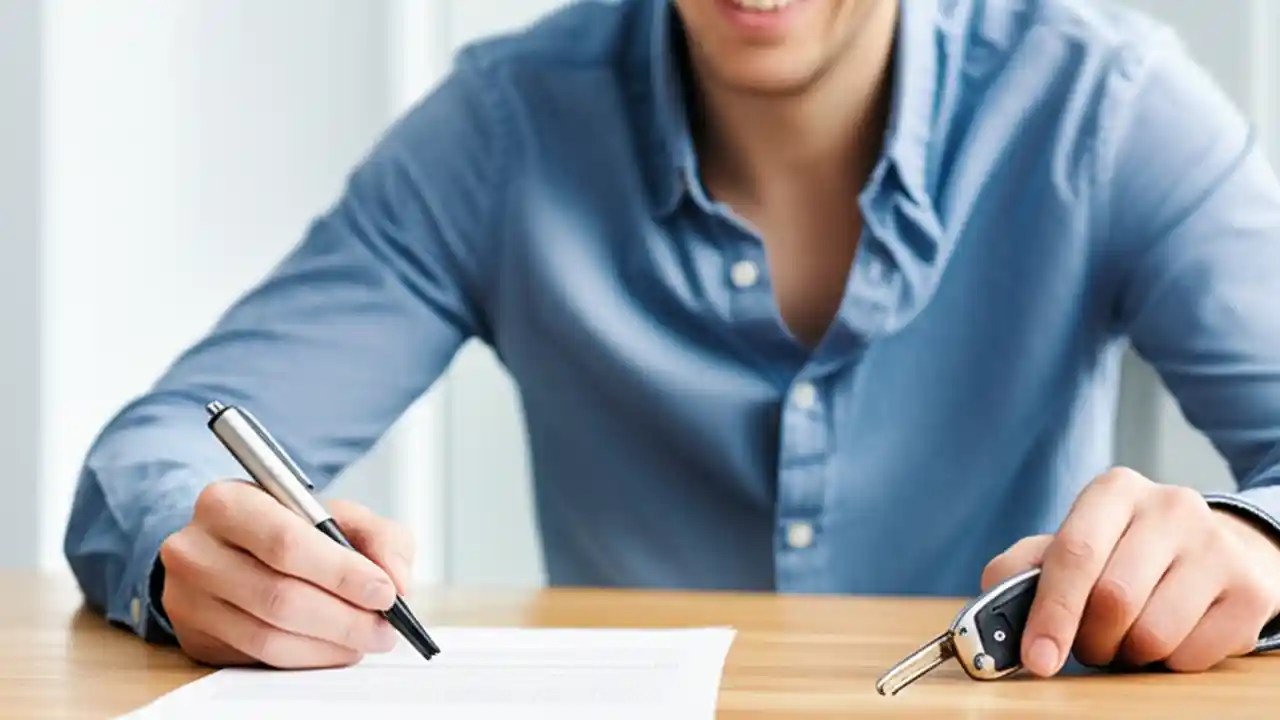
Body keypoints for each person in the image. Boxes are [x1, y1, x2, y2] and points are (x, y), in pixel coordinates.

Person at [65, 0, 1280, 677]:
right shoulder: (502, 129)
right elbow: (159, 449)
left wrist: (1250, 538)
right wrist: (192, 557)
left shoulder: (1102, 108)